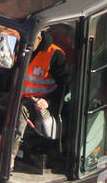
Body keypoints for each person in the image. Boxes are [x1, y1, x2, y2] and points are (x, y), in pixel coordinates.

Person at [10, 27, 71, 162]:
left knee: (19, 113)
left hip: (38, 102)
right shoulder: (19, 47)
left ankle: (8, 161)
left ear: (38, 38)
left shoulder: (54, 55)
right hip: (19, 96)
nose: (24, 44)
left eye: (28, 41)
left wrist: (47, 101)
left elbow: (65, 86)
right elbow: (8, 71)